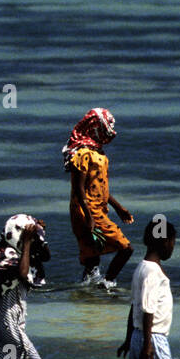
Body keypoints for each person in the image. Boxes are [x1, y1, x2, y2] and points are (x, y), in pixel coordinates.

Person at [64, 107, 134, 290]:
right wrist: (88, 217)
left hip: (96, 209)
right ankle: (108, 283)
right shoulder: (83, 155)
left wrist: (118, 208)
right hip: (87, 210)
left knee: (92, 258)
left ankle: (87, 295)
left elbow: (100, 187)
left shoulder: (99, 154)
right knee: (126, 248)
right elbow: (79, 189)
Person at [0, 214, 50, 359]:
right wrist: (28, 242)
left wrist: (39, 232)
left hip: (9, 320)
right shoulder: (7, 256)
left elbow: (46, 256)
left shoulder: (24, 255)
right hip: (8, 322)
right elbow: (22, 274)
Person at [117, 221, 178, 359]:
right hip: (153, 337)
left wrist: (128, 340)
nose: (172, 248)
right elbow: (148, 309)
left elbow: (134, 307)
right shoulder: (152, 271)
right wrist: (147, 346)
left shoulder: (141, 267)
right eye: (172, 243)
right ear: (164, 242)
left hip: (137, 336)